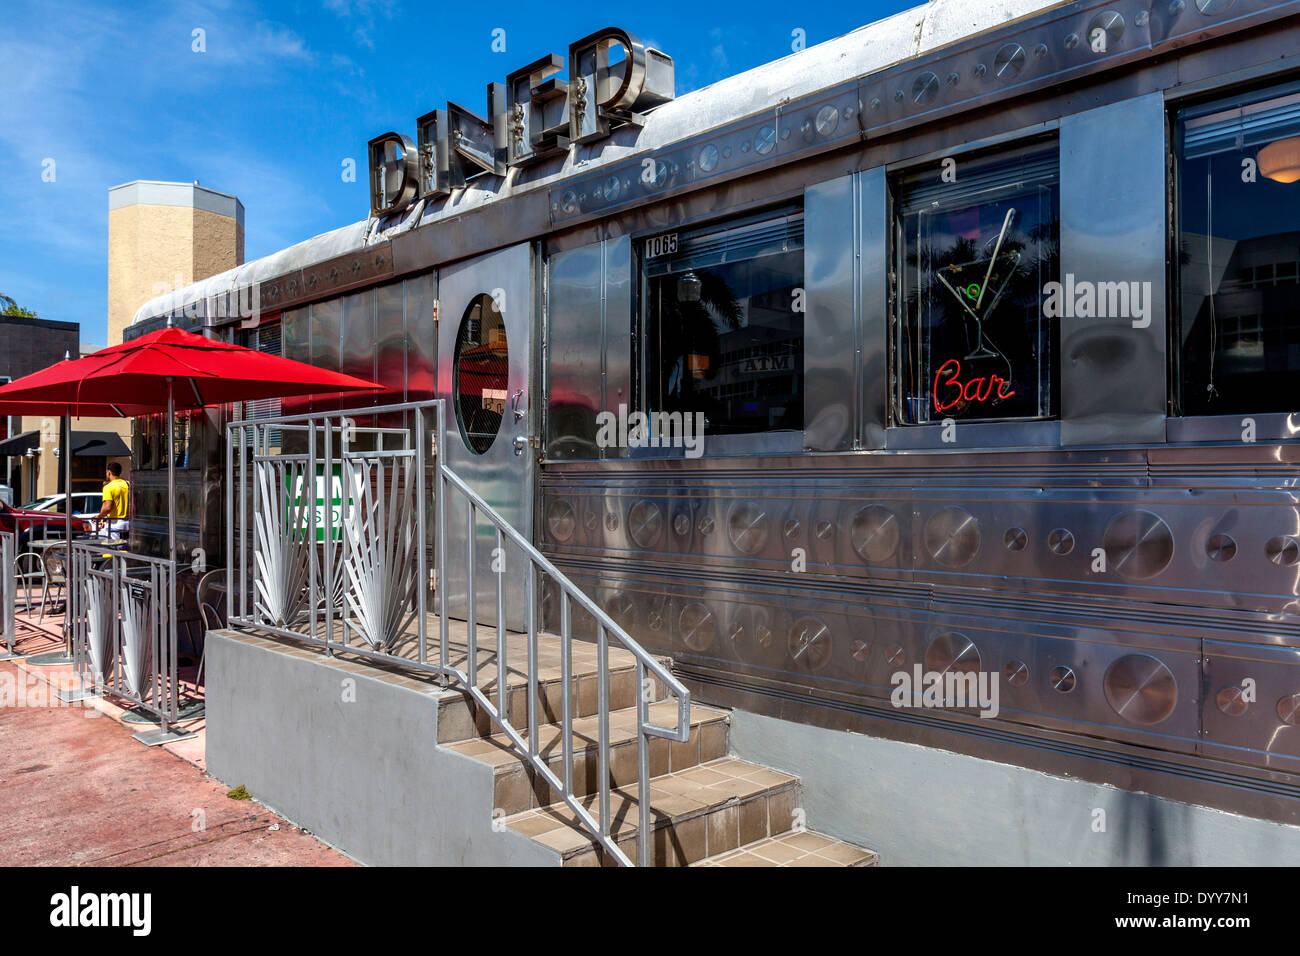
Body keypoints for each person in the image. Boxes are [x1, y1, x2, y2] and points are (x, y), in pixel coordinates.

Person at [94, 462, 130, 538]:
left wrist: (99, 516)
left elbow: (107, 507)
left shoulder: (108, 487)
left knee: (114, 547)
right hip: (128, 523)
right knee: (127, 547)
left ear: (109, 472)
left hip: (115, 523)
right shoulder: (128, 484)